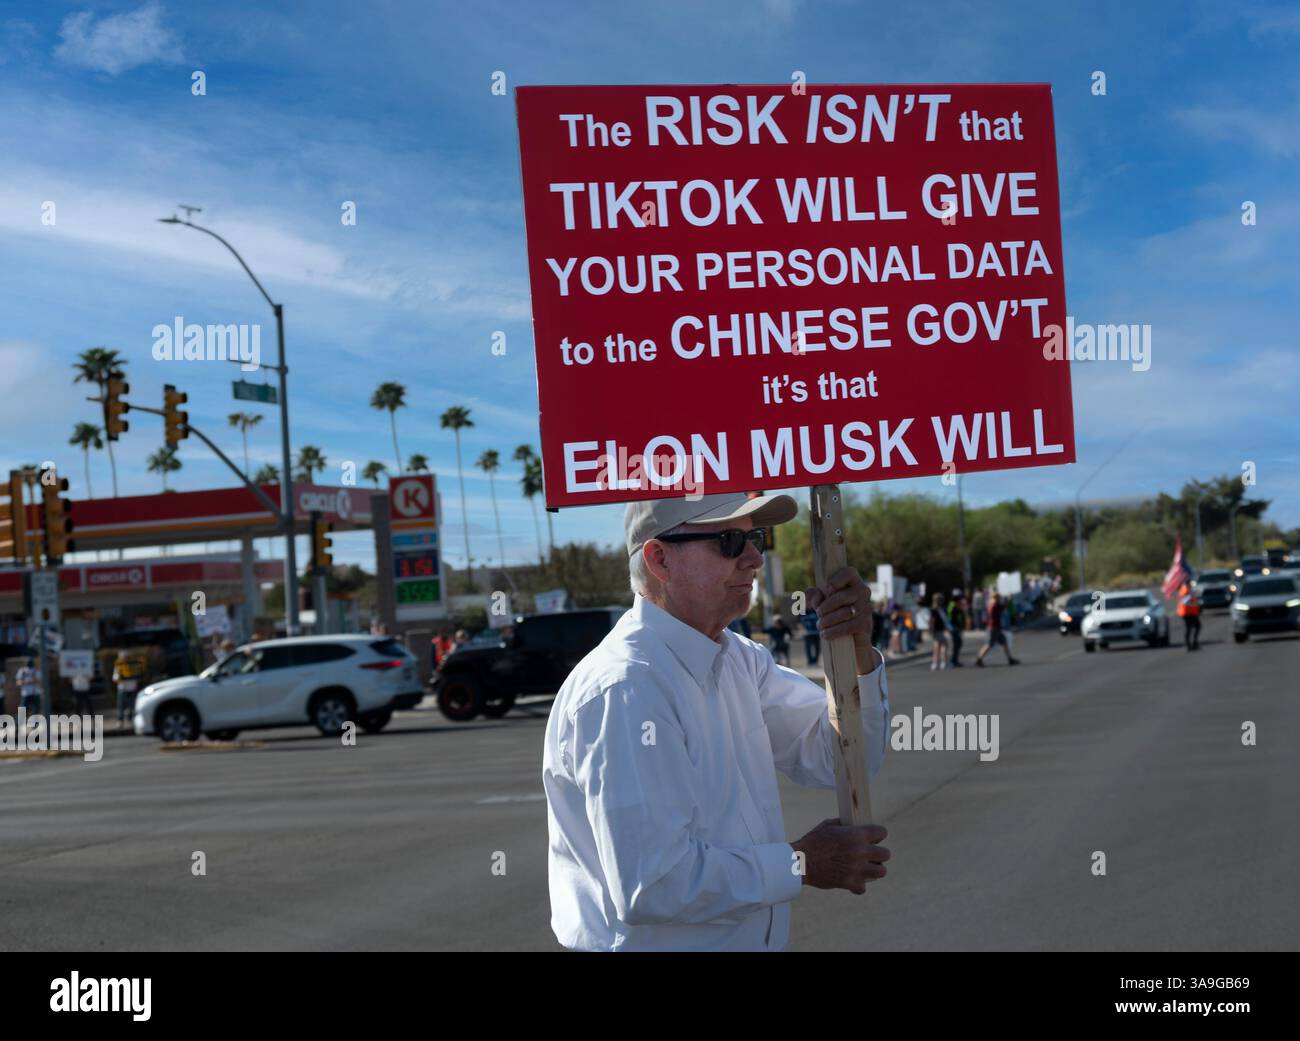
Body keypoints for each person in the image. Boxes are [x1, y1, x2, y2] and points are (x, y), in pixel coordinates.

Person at [544, 492, 891, 952]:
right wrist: (800, 863)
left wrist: (856, 653)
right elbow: (654, 883)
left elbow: (839, 760)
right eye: (730, 541)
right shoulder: (626, 689)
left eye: (756, 538)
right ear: (660, 558)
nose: (753, 559)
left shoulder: (740, 659)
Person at [975, 593, 1020, 666]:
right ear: (995, 598)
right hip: (994, 628)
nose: (999, 599)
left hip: (996, 628)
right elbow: (1004, 606)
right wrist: (1009, 599)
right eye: (998, 598)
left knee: (1004, 642)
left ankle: (1010, 659)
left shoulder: (991, 604)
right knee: (989, 645)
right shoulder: (994, 605)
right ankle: (979, 659)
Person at [1177, 580, 1201, 651]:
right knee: (1189, 628)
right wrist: (1191, 598)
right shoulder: (1185, 590)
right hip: (1187, 613)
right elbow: (1185, 601)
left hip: (1192, 612)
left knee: (1197, 626)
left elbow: (1194, 600)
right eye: (1190, 583)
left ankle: (1194, 643)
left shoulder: (1190, 590)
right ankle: (1189, 645)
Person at [928, 592, 950, 671]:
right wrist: (931, 630)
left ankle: (936, 663)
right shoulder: (939, 609)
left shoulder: (934, 609)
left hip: (938, 630)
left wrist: (930, 629)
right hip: (938, 630)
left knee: (937, 646)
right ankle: (941, 662)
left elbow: (932, 621)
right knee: (942, 646)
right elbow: (932, 621)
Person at [947, 594, 968, 667]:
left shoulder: (955, 605)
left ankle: (954, 660)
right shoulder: (953, 606)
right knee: (957, 643)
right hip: (953, 627)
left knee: (958, 643)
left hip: (956, 627)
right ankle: (953, 660)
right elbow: (951, 617)